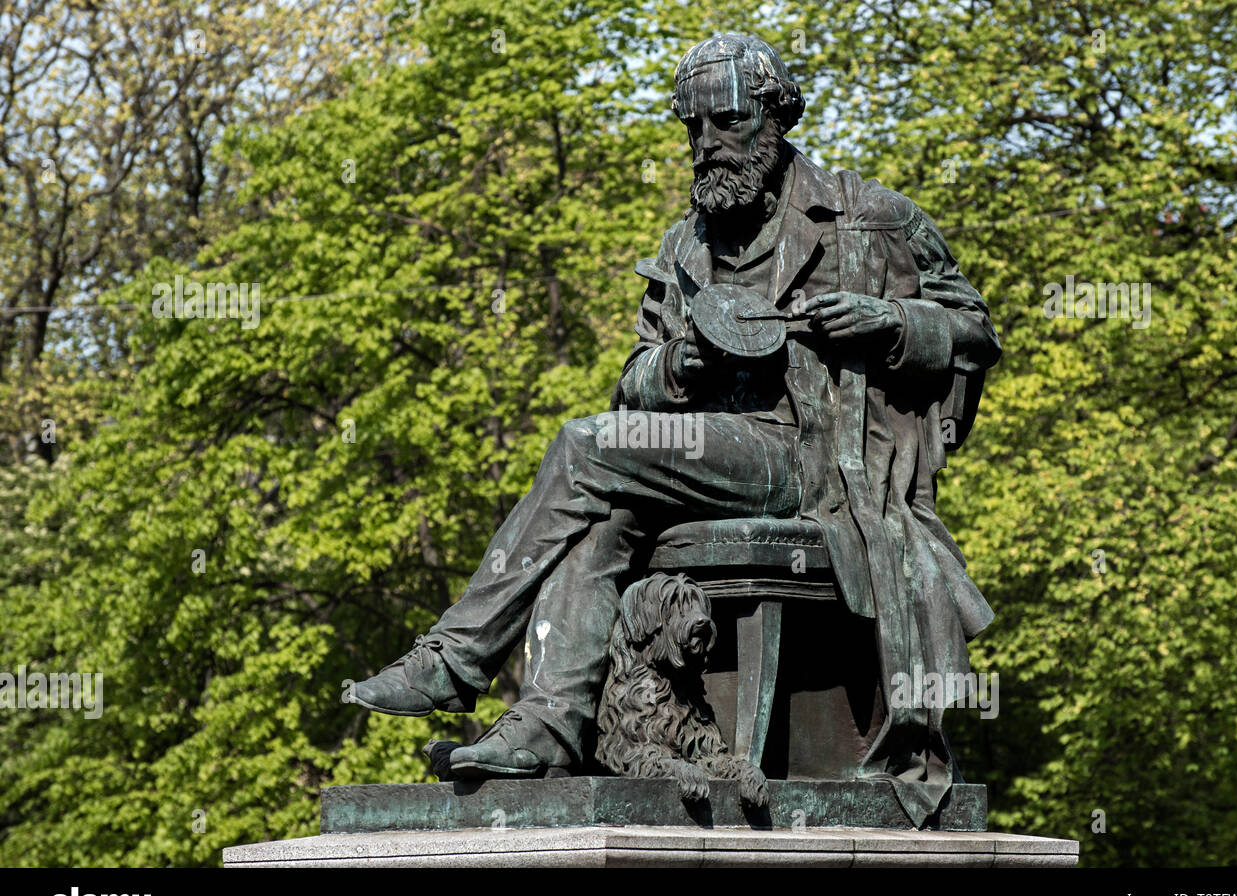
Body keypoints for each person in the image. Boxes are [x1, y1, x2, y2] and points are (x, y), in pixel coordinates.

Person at [343, 33, 1001, 825]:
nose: (707, 147)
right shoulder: (686, 241)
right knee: (599, 510)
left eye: (726, 122)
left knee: (587, 448)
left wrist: (886, 319)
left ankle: (455, 659)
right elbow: (635, 376)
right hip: (698, 454)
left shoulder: (872, 219)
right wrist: (680, 363)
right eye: (692, 130)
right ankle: (550, 723)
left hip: (814, 458)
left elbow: (973, 330)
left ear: (777, 114)